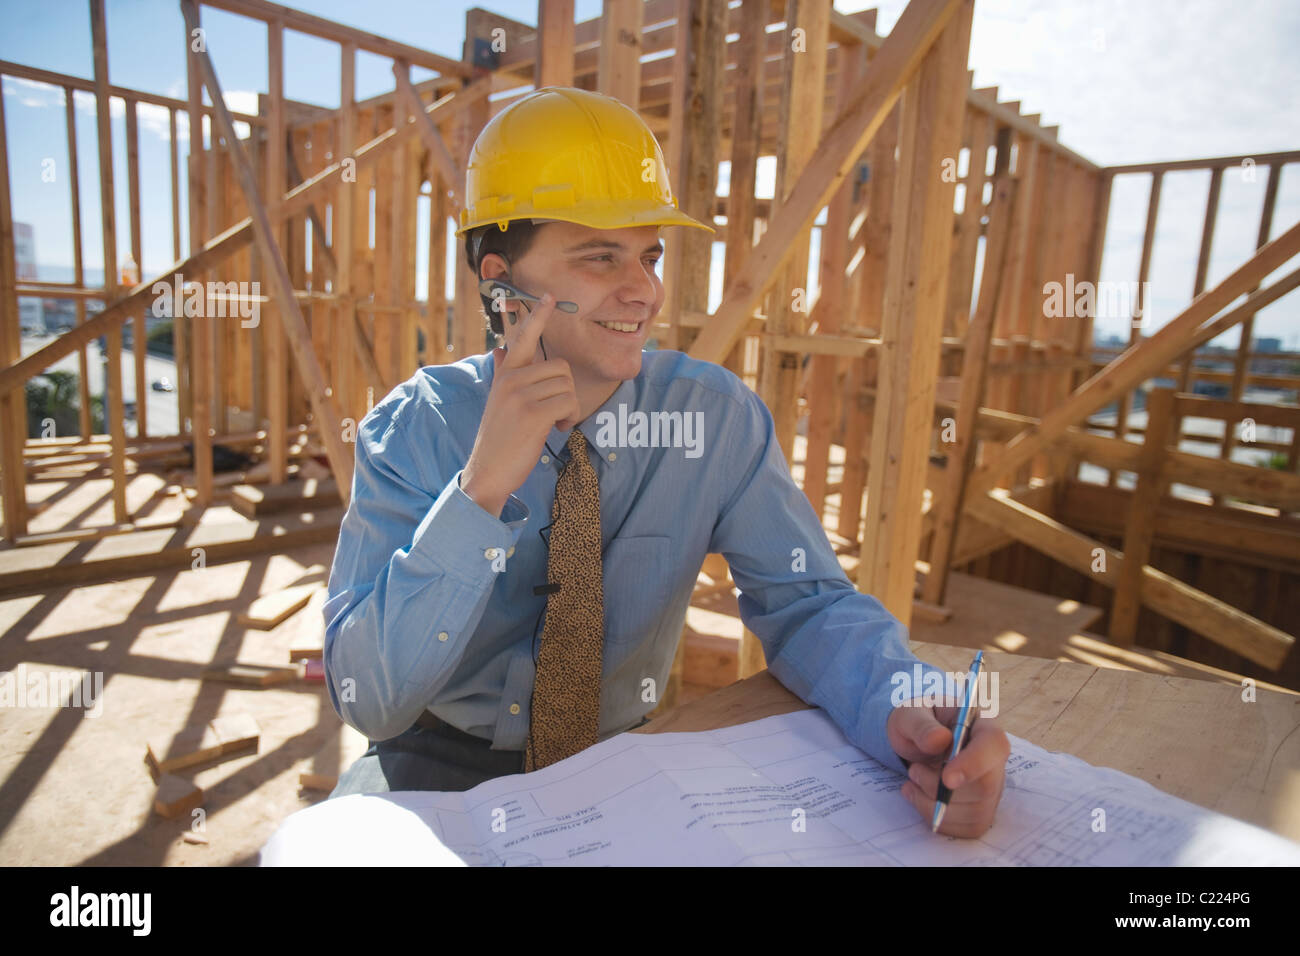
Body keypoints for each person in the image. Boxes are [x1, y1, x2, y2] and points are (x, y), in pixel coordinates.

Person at [323, 86, 1009, 838]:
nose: (644, 290)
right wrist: (480, 490)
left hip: (630, 762)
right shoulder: (415, 427)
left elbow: (807, 605)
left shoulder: (715, 420)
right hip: (436, 763)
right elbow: (370, 701)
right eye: (599, 256)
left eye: (649, 254)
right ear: (502, 283)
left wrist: (900, 701)